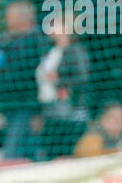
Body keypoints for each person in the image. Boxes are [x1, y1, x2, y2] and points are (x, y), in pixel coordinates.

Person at [0, 0, 46, 160]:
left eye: (9, 15)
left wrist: (38, 111)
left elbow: (31, 77)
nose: (6, 18)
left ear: (20, 17)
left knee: (13, 155)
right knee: (26, 153)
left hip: (25, 108)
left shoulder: (33, 41)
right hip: (11, 107)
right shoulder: (10, 42)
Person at [35, 20, 91, 160]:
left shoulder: (75, 49)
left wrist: (59, 81)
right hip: (51, 111)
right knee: (51, 153)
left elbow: (82, 78)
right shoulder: (51, 50)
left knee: (66, 153)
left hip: (69, 112)